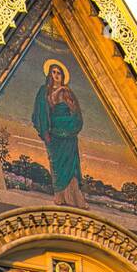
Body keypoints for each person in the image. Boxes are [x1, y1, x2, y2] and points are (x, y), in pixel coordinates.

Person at [32, 59, 87, 208]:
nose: (56, 75)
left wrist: (71, 127)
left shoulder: (68, 92)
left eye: (59, 73)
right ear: (49, 74)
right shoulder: (45, 91)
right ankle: (60, 196)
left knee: (71, 166)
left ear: (63, 76)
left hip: (69, 136)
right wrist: (45, 132)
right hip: (54, 134)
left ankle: (75, 198)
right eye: (53, 72)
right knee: (57, 164)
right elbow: (42, 112)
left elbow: (76, 114)